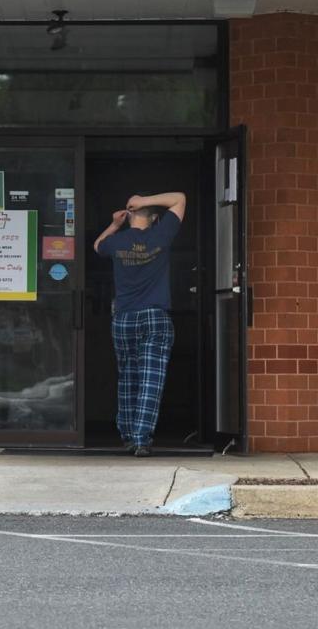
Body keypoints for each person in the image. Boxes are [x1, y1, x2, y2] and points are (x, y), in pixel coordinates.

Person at [93, 191, 186, 457]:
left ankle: (127, 434)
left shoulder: (117, 241)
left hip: (124, 318)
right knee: (150, 380)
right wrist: (145, 202)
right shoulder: (161, 235)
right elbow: (180, 197)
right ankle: (142, 439)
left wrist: (115, 224)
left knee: (128, 377)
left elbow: (97, 246)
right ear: (155, 218)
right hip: (154, 316)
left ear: (130, 215)